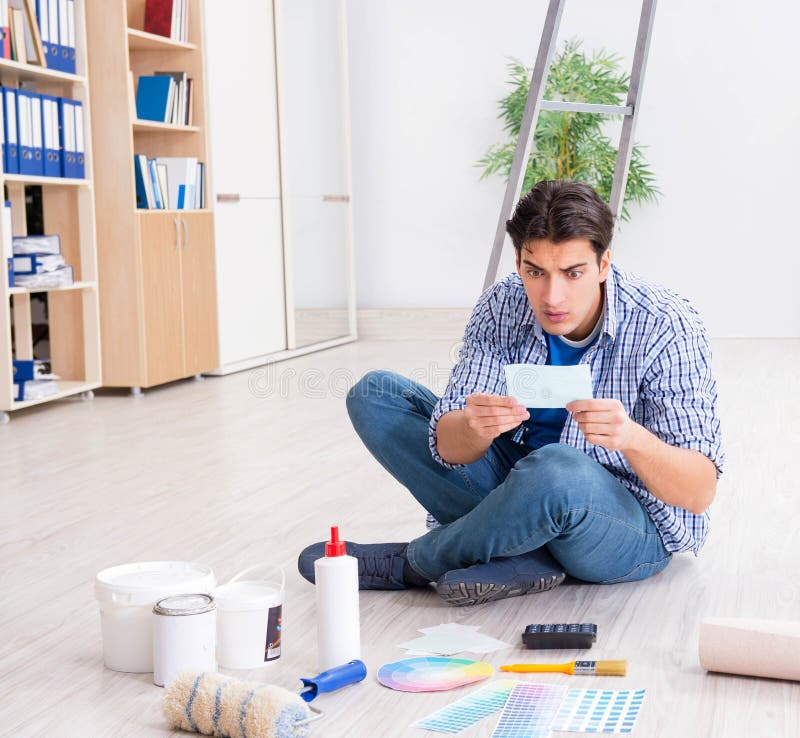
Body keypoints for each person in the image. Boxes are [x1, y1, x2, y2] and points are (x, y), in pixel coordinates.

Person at [298, 180, 724, 606]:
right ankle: (527, 553)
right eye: (535, 272)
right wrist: (474, 428)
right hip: (521, 485)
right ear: (519, 261)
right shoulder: (502, 304)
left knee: (555, 469)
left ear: (604, 264)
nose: (552, 296)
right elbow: (449, 445)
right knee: (375, 395)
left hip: (623, 523)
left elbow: (698, 491)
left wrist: (632, 438)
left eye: (573, 273)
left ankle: (413, 562)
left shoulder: (667, 324)